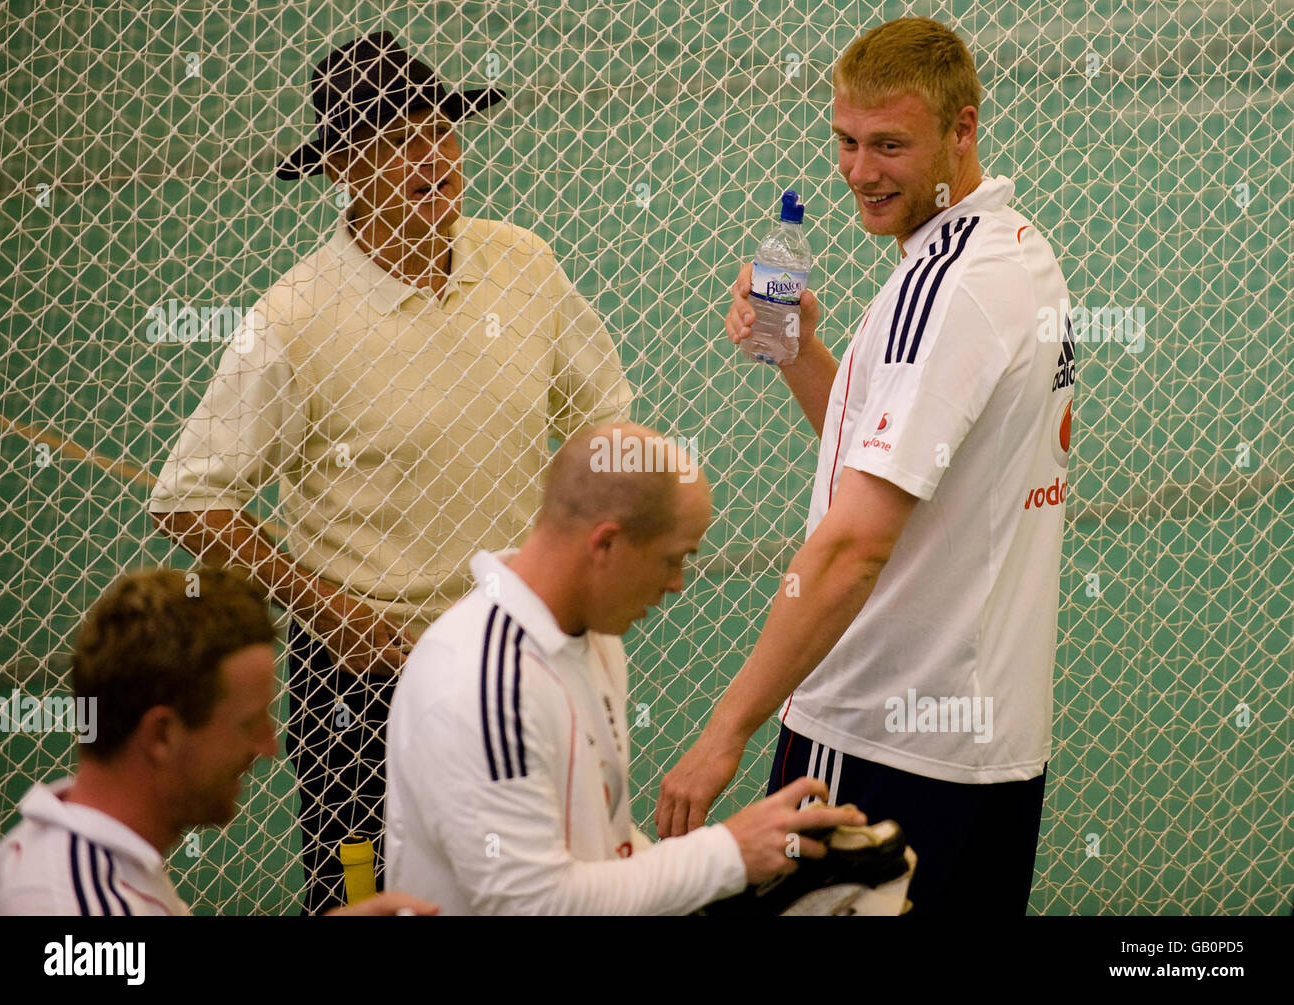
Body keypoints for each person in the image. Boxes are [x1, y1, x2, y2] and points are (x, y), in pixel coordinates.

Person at [149, 32, 633, 914]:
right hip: (366, 682)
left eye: (440, 130)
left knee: (554, 887)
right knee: (372, 901)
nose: (431, 156)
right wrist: (329, 608)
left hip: (524, 653)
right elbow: (190, 495)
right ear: (341, 166)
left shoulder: (523, 263)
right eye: (395, 139)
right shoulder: (291, 319)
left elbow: (601, 421)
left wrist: (582, 567)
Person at [656, 16, 1074, 916]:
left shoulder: (943, 287)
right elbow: (903, 476)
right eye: (846, 140)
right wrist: (805, 352)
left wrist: (725, 730)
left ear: (962, 130)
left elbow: (853, 546)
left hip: (880, 730)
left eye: (890, 143)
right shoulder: (1017, 252)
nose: (859, 170)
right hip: (988, 749)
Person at [384, 422, 868, 914]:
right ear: (606, 544)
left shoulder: (593, 637)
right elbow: (530, 903)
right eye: (672, 559)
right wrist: (728, 855)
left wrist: (729, 876)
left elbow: (606, 850)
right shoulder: (481, 681)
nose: (678, 583)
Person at [0, 567, 435, 917]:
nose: (269, 746)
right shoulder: (79, 905)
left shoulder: (93, 867)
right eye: (248, 724)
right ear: (162, 734)